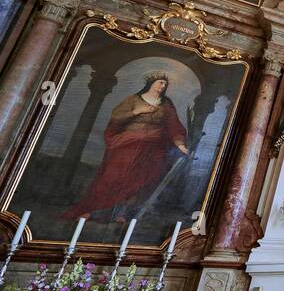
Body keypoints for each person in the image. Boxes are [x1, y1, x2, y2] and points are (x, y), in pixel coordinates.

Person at [64, 72, 190, 222]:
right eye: (160, 82)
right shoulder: (134, 99)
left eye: (165, 84)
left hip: (152, 148)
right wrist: (137, 111)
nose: (162, 86)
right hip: (126, 144)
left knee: (138, 181)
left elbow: (174, 126)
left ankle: (120, 213)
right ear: (151, 83)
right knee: (112, 177)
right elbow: (117, 116)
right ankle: (94, 211)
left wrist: (180, 144)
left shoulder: (166, 105)